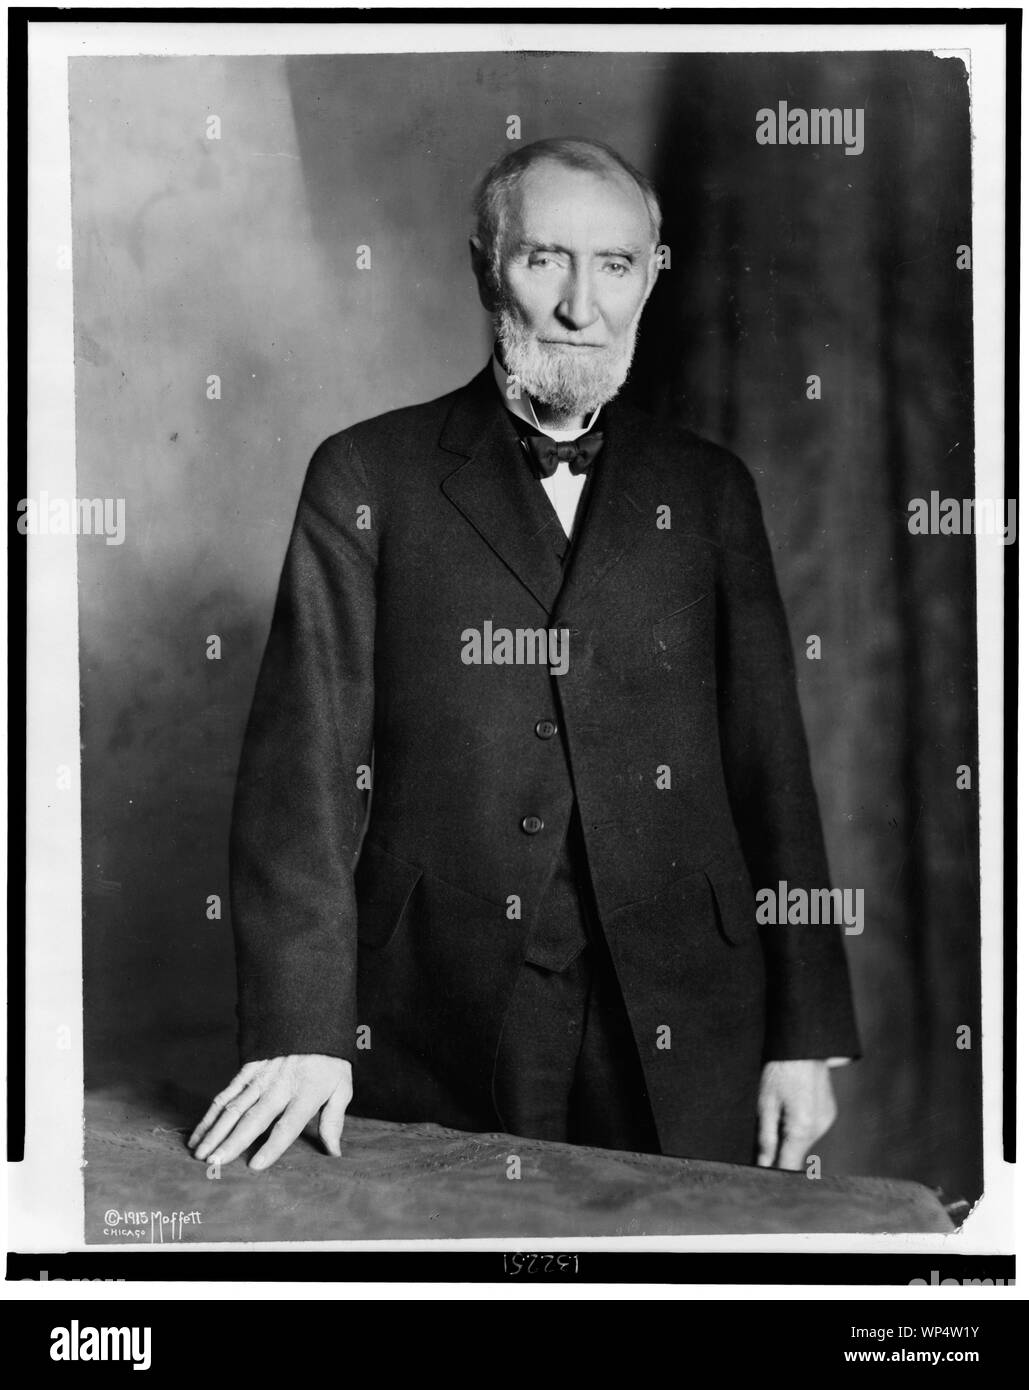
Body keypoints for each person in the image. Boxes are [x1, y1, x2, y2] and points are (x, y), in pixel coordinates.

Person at [189, 137, 859, 1175]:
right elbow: (303, 775)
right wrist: (304, 1026)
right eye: (545, 260)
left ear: (651, 277)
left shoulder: (714, 489)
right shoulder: (366, 473)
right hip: (434, 1009)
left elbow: (771, 764)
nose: (581, 306)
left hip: (689, 1009)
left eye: (617, 266)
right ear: (484, 268)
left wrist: (804, 1028)